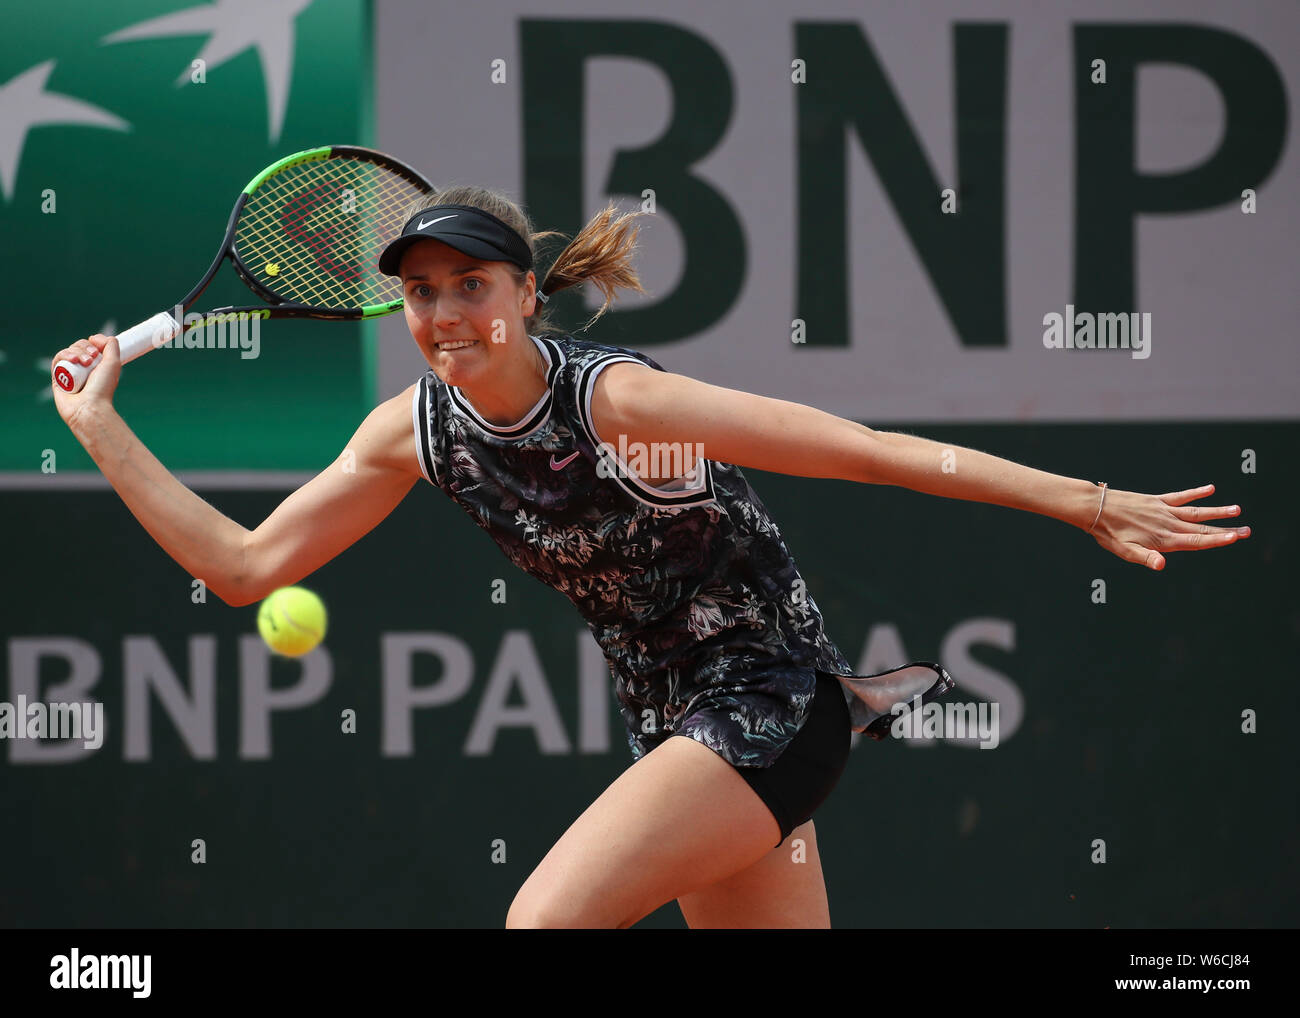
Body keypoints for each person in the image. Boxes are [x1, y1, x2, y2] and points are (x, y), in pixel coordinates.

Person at [52, 187, 1251, 929]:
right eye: (420, 294)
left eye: (471, 285)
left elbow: (870, 452)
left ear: (526, 292)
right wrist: (101, 427)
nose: (443, 315)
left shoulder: (621, 400)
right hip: (677, 724)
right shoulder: (409, 434)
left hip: (769, 703)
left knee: (546, 921)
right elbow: (250, 565)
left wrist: (1087, 499)